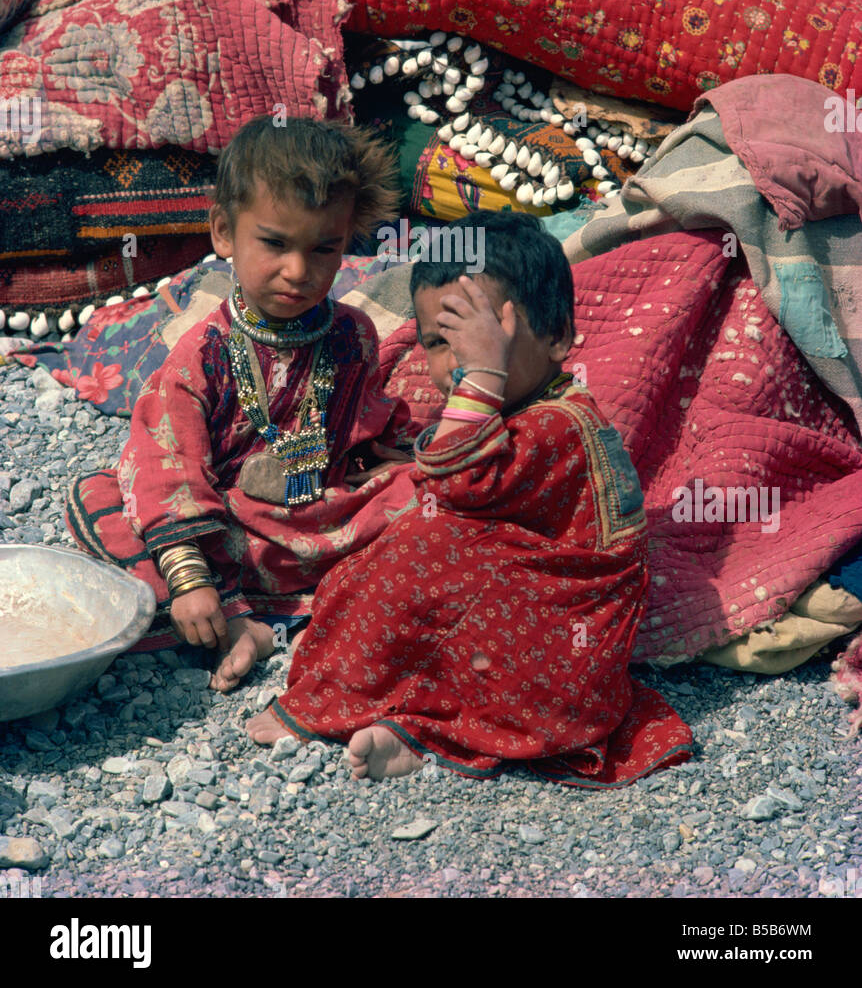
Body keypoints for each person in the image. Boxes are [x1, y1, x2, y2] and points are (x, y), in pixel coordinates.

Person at [247, 211, 691, 787]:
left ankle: (344, 701)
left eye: (483, 336)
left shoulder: (561, 424)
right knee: (395, 542)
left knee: (422, 546)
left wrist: (483, 374)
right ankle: (420, 731)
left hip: (557, 670)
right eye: (439, 342)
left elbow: (458, 489)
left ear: (557, 336)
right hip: (505, 636)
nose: (459, 362)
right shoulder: (505, 412)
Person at [65, 115, 417, 691]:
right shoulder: (201, 354)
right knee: (99, 498)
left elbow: (368, 430)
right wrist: (189, 575)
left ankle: (257, 618)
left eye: (324, 248)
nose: (298, 272)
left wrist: (400, 461)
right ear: (224, 232)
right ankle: (235, 609)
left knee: (417, 495)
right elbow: (166, 465)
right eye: (274, 244)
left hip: (311, 517)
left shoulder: (353, 336)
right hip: (221, 529)